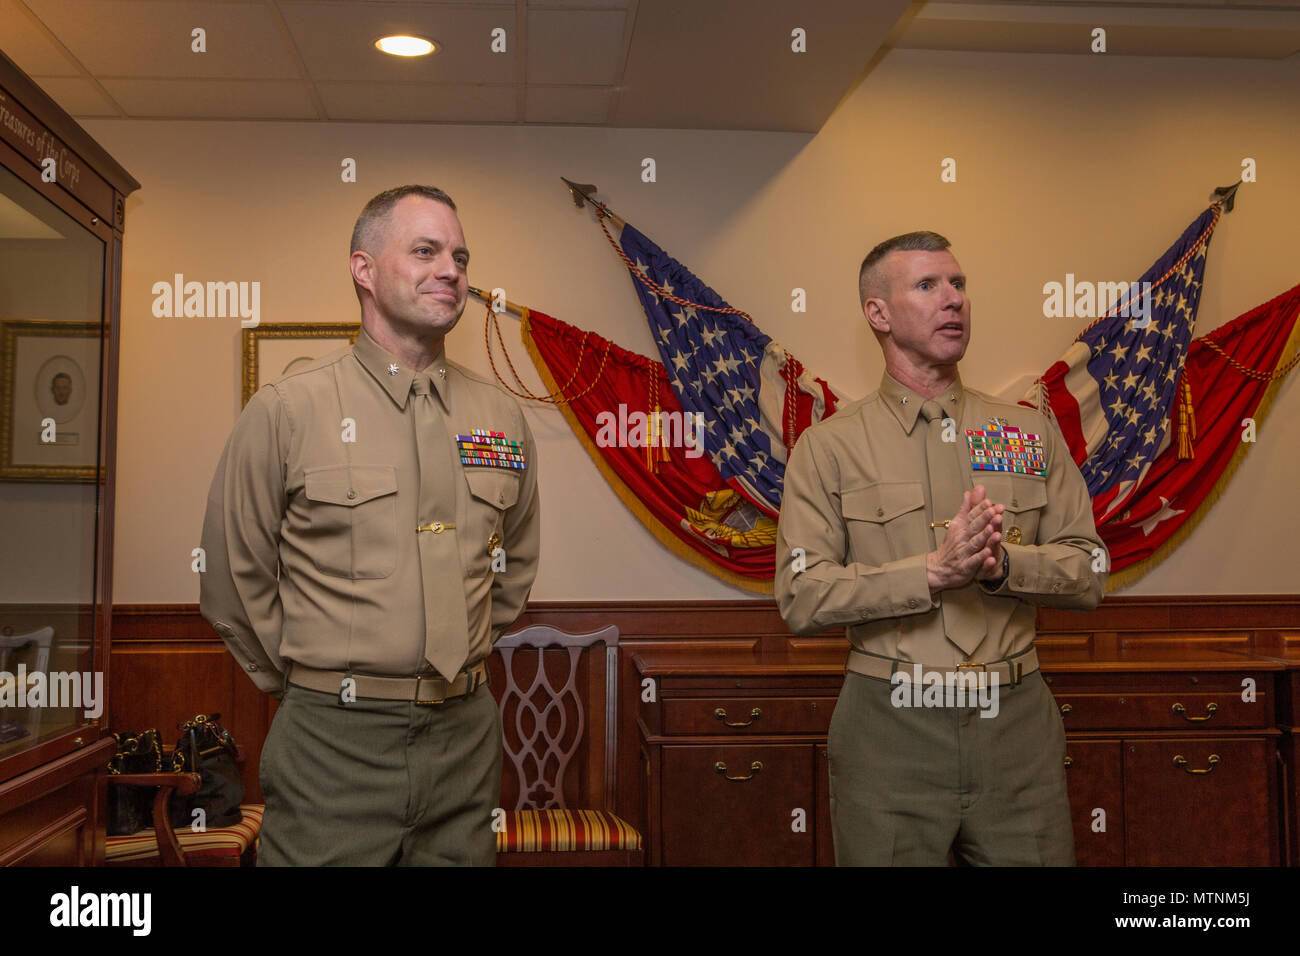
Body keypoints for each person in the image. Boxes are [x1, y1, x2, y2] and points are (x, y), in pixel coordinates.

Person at [199, 185, 541, 866]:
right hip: (333, 743)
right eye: (426, 251)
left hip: (464, 738)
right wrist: (311, 685)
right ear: (364, 269)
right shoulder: (289, 409)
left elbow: (514, 567)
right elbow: (232, 577)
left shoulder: (500, 416)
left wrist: (456, 659)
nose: (451, 271)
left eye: (460, 257)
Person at [775, 231, 1106, 866]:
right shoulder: (828, 447)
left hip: (1014, 726)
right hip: (889, 726)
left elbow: (1089, 570)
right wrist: (930, 572)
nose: (953, 299)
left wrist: (1004, 566)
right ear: (878, 313)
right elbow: (801, 595)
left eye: (959, 284)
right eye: (927, 285)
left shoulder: (1026, 431)